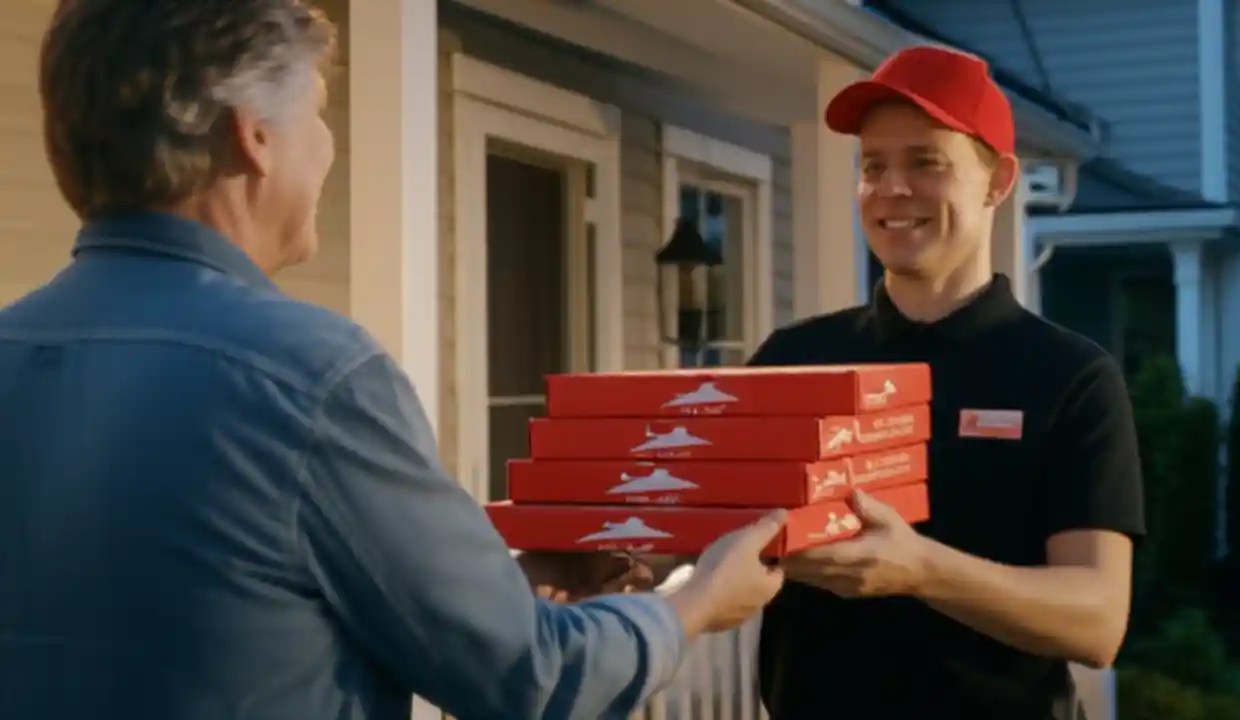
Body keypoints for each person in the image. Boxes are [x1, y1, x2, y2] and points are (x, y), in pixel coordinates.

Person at [0, 2, 787, 719]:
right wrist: (696, 601)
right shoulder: (309, 378)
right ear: (255, 137)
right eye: (318, 112)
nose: (329, 144)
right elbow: (532, 678)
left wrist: (487, 587)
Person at [748, 46, 1147, 719]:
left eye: (925, 162)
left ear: (998, 181)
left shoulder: (1070, 377)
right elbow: (712, 526)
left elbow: (1098, 622)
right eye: (872, 166)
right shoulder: (795, 359)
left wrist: (923, 570)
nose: (891, 188)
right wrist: (632, 564)